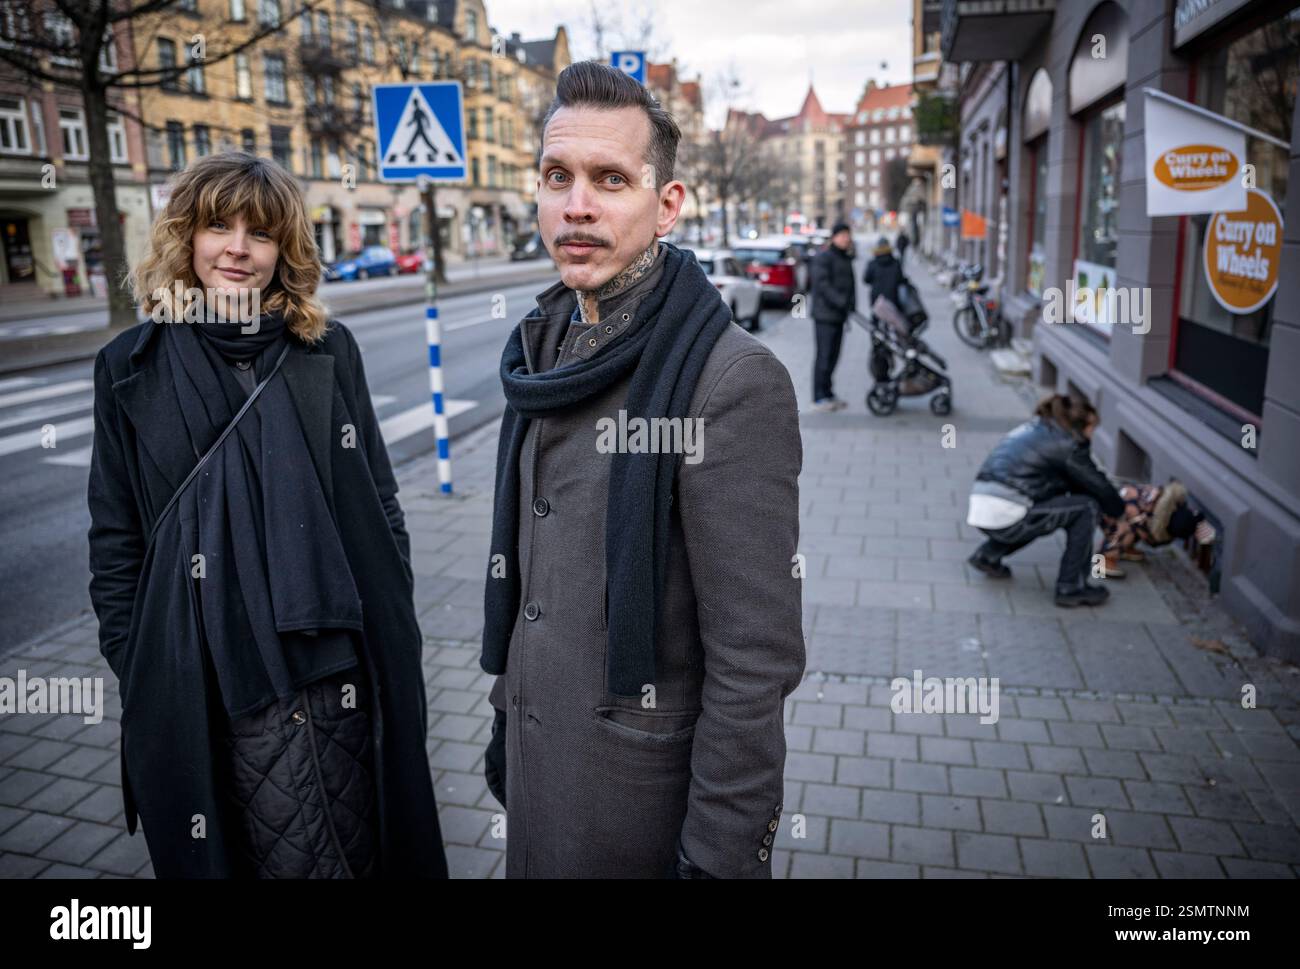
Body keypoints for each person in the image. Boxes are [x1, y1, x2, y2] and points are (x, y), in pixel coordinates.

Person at [481, 60, 805, 879]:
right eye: (559, 176)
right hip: (537, 776)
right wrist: (504, 719)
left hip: (635, 809)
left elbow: (754, 657)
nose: (577, 204)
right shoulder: (539, 349)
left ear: (666, 205)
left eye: (609, 179)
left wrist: (720, 858)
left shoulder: (729, 381)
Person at [87, 152, 447, 878]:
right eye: (220, 224)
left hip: (332, 671)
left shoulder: (326, 350)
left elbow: (378, 497)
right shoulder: (130, 364)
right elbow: (116, 540)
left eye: (262, 232)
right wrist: (142, 660)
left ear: (285, 249)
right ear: (186, 236)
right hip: (197, 677)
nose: (239, 248)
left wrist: (391, 606)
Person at [965, 394, 1133, 607]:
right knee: (1086, 508)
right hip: (1007, 511)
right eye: (1093, 428)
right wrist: (1120, 514)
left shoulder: (1037, 428)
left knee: (1045, 512)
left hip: (983, 506)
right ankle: (1071, 587)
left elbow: (1071, 482)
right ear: (1080, 425)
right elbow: (1096, 483)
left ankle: (987, 555)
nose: (1093, 434)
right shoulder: (1069, 443)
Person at [1099, 480, 1212, 578]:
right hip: (1110, 511)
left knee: (1138, 525)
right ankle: (1104, 559)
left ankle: (1125, 548)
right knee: (1127, 527)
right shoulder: (1146, 512)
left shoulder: (1166, 506)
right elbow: (1128, 519)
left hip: (1128, 509)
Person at [808, 221, 857, 412]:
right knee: (824, 356)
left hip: (839, 315)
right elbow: (822, 285)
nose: (846, 239)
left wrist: (851, 304)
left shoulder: (845, 257)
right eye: (842, 235)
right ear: (834, 237)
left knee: (834, 356)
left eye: (848, 235)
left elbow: (851, 285)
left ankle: (828, 393)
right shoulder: (824, 257)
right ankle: (818, 397)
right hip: (825, 315)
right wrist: (841, 301)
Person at [863, 235, 904, 317]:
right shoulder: (896, 263)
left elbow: (866, 279)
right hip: (893, 299)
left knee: (876, 322)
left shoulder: (872, 264)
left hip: (876, 299)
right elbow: (900, 279)